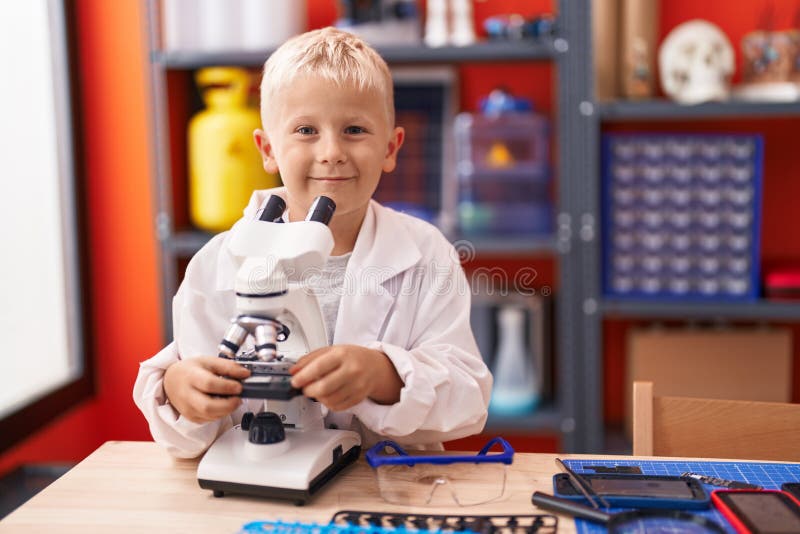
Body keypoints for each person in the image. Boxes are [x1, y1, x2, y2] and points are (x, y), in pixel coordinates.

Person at [133, 27, 491, 458]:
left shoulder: (426, 253)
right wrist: (179, 392)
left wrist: (383, 375)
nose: (331, 152)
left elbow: (469, 401)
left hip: (389, 487)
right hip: (262, 481)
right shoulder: (216, 263)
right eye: (305, 130)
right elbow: (186, 440)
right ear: (268, 150)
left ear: (391, 148)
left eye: (355, 129)